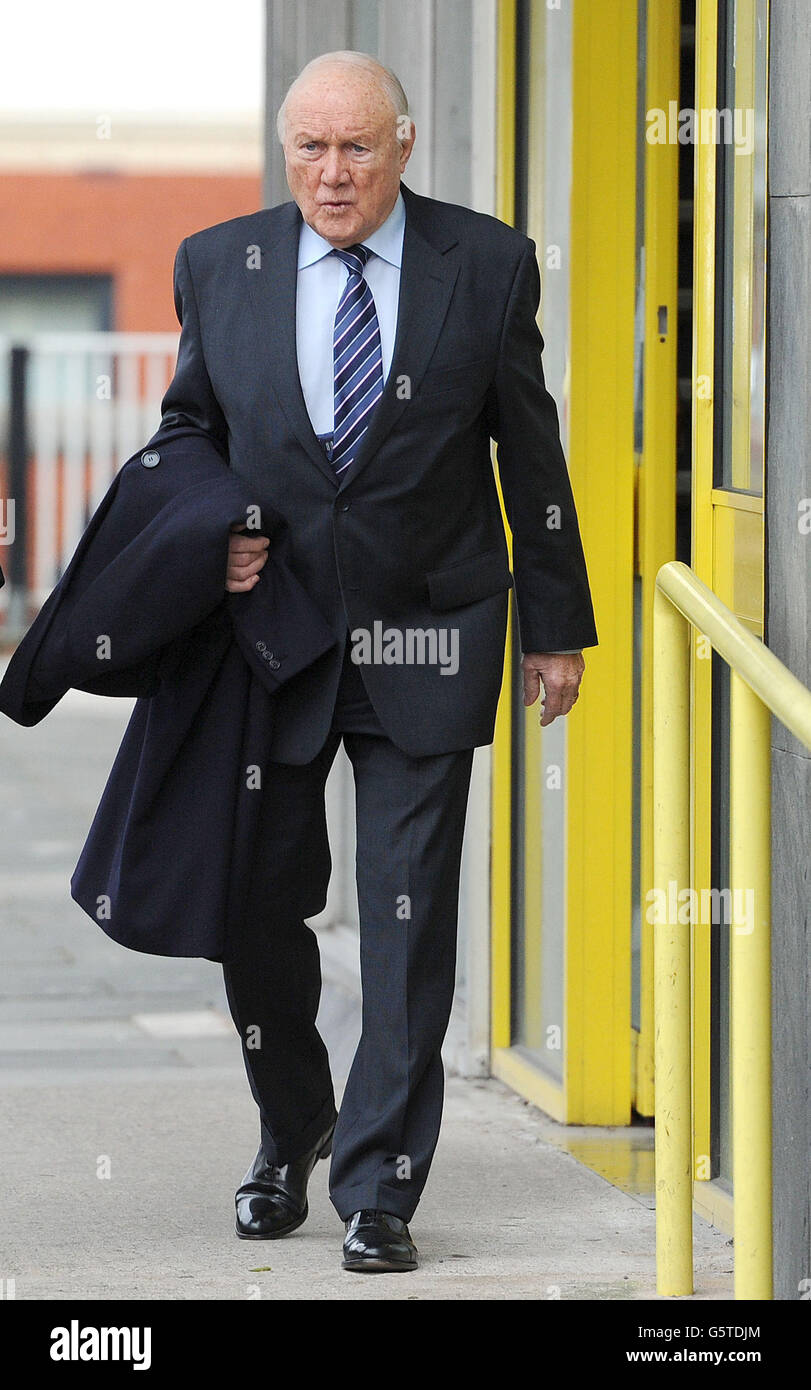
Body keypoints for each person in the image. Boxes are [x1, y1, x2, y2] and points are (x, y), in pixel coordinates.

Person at [148, 50, 598, 1273]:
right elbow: (189, 435)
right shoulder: (218, 264)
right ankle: (289, 1122)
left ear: (403, 143)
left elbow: (529, 455)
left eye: (355, 147)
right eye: (309, 148)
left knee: (405, 918)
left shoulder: (487, 261)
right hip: (268, 641)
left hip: (430, 630)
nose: (331, 174)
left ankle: (380, 1183)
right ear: (283, 150)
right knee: (255, 909)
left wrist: (554, 622)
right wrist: (219, 536)